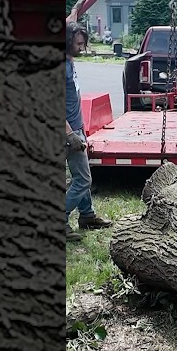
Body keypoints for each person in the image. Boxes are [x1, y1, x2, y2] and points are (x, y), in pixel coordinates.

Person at [65, 22, 111, 243]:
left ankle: (87, 216)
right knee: (83, 180)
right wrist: (70, 134)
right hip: (67, 133)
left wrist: (75, 11)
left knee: (80, 176)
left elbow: (68, 23)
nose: (81, 48)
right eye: (79, 44)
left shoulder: (68, 60)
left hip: (76, 128)